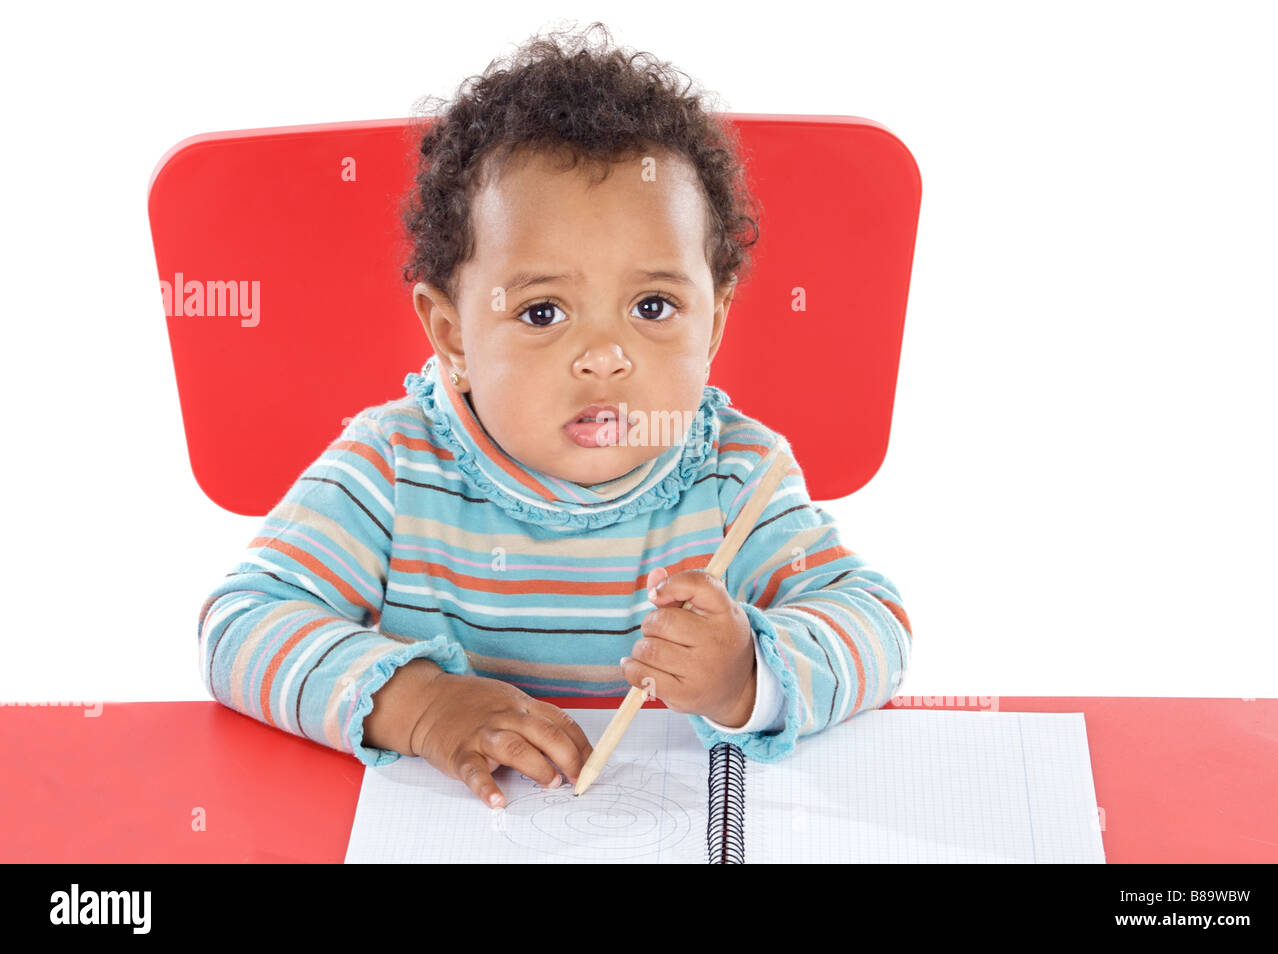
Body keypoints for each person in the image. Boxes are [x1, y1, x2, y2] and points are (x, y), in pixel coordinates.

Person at [198, 22, 912, 811]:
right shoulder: (395, 468)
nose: (604, 356)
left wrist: (750, 674)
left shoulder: (734, 475)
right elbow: (241, 626)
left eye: (652, 305)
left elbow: (874, 626)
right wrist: (424, 707)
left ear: (713, 323)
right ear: (452, 335)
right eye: (542, 312)